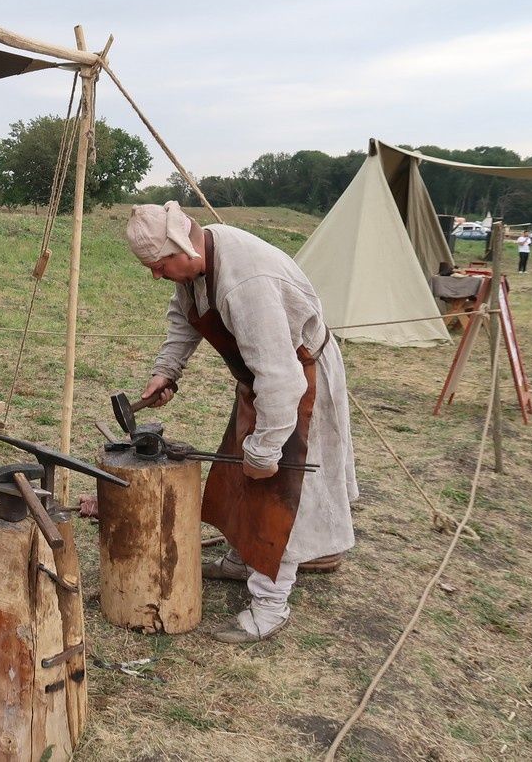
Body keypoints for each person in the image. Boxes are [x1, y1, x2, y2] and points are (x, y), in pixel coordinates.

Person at [88, 201, 357, 644]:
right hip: (261, 382)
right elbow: (185, 315)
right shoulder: (198, 261)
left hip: (297, 382)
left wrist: (267, 450)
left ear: (182, 247)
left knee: (278, 493)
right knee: (237, 474)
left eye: (159, 266)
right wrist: (166, 370)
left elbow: (282, 380)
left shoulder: (246, 284)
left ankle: (270, 606)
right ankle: (239, 559)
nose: (156, 275)